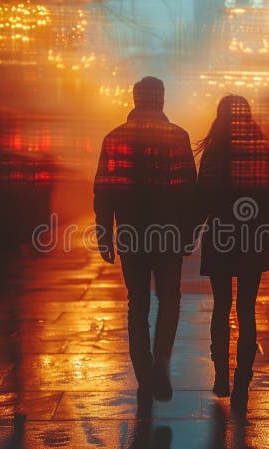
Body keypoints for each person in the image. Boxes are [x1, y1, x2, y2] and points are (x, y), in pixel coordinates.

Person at [93, 76, 197, 417]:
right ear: (162, 101)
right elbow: (186, 188)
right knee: (169, 299)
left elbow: (104, 189)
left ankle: (144, 375)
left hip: (131, 234)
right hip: (168, 234)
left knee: (136, 303)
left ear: (135, 100)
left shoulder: (114, 138)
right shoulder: (178, 136)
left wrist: (104, 234)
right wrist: (189, 232)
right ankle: (162, 362)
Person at [197, 95, 269, 417]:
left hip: (221, 235)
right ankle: (243, 380)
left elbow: (202, 197)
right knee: (246, 310)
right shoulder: (263, 152)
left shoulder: (214, 153)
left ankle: (220, 375)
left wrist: (189, 231)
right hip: (254, 238)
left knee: (221, 307)